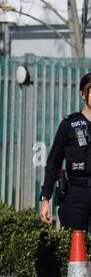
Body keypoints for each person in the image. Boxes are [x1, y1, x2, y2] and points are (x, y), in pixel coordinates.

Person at [40, 72, 91, 227]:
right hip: (76, 196)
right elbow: (53, 164)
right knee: (76, 247)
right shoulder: (68, 125)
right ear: (82, 94)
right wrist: (45, 198)